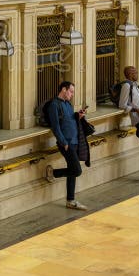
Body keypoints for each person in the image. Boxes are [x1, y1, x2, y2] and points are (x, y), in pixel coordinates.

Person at [44, 81, 92, 209]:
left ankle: (70, 200)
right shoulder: (54, 105)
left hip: (75, 141)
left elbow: (70, 119)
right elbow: (56, 126)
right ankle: (53, 173)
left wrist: (79, 115)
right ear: (63, 90)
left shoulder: (68, 104)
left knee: (72, 171)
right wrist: (63, 143)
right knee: (76, 170)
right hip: (67, 143)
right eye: (70, 91)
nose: (72, 94)